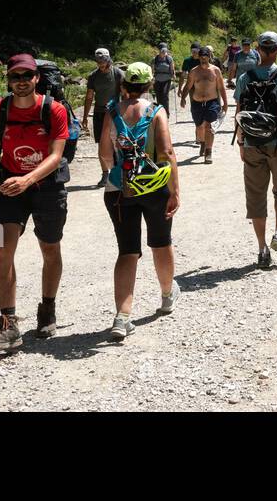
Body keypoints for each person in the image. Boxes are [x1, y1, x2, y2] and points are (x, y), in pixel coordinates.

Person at [0, 55, 70, 351]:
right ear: (8, 79)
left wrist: (27, 180)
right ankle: (8, 325)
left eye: (26, 76)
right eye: (15, 76)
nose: (20, 81)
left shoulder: (54, 110)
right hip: (9, 190)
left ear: (36, 78)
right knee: (0, 251)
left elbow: (56, 157)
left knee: (50, 248)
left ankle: (48, 308)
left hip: (48, 188)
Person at [97, 62, 181, 340]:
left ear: (123, 86)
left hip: (119, 191)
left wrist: (118, 175)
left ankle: (122, 317)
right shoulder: (156, 111)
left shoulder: (111, 112)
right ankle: (167, 295)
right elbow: (167, 151)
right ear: (148, 86)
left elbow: (104, 154)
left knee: (127, 251)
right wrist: (174, 191)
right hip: (153, 187)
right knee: (161, 242)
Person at [234, 31, 277, 268]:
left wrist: (241, 143)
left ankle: (262, 249)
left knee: (255, 195)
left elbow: (239, 113)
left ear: (258, 49)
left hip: (252, 143)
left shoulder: (245, 78)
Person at [82, 48, 124, 186]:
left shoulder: (117, 73)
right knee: (101, 145)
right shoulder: (93, 76)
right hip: (99, 113)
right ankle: (105, 174)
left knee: (118, 142)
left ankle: (119, 171)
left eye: (103, 61)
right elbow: (89, 97)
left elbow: (125, 93)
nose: (100, 64)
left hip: (115, 113)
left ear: (108, 59)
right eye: (98, 61)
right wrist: (84, 117)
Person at [180, 44, 227, 163]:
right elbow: (188, 86)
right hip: (197, 103)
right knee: (199, 127)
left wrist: (225, 103)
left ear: (209, 56)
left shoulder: (216, 70)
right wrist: (183, 98)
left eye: (205, 56)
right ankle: (203, 143)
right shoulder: (194, 71)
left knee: (209, 126)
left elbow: (221, 87)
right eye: (201, 57)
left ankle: (208, 152)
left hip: (212, 102)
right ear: (199, 57)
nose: (203, 59)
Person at [151, 42, 176, 113]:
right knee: (158, 96)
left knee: (165, 95)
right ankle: (159, 112)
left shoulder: (169, 58)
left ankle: (166, 113)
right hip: (157, 80)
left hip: (167, 79)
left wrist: (173, 74)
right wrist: (152, 77)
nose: (164, 52)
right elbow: (152, 70)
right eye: (162, 50)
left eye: (165, 50)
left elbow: (172, 69)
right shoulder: (155, 59)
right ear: (159, 51)